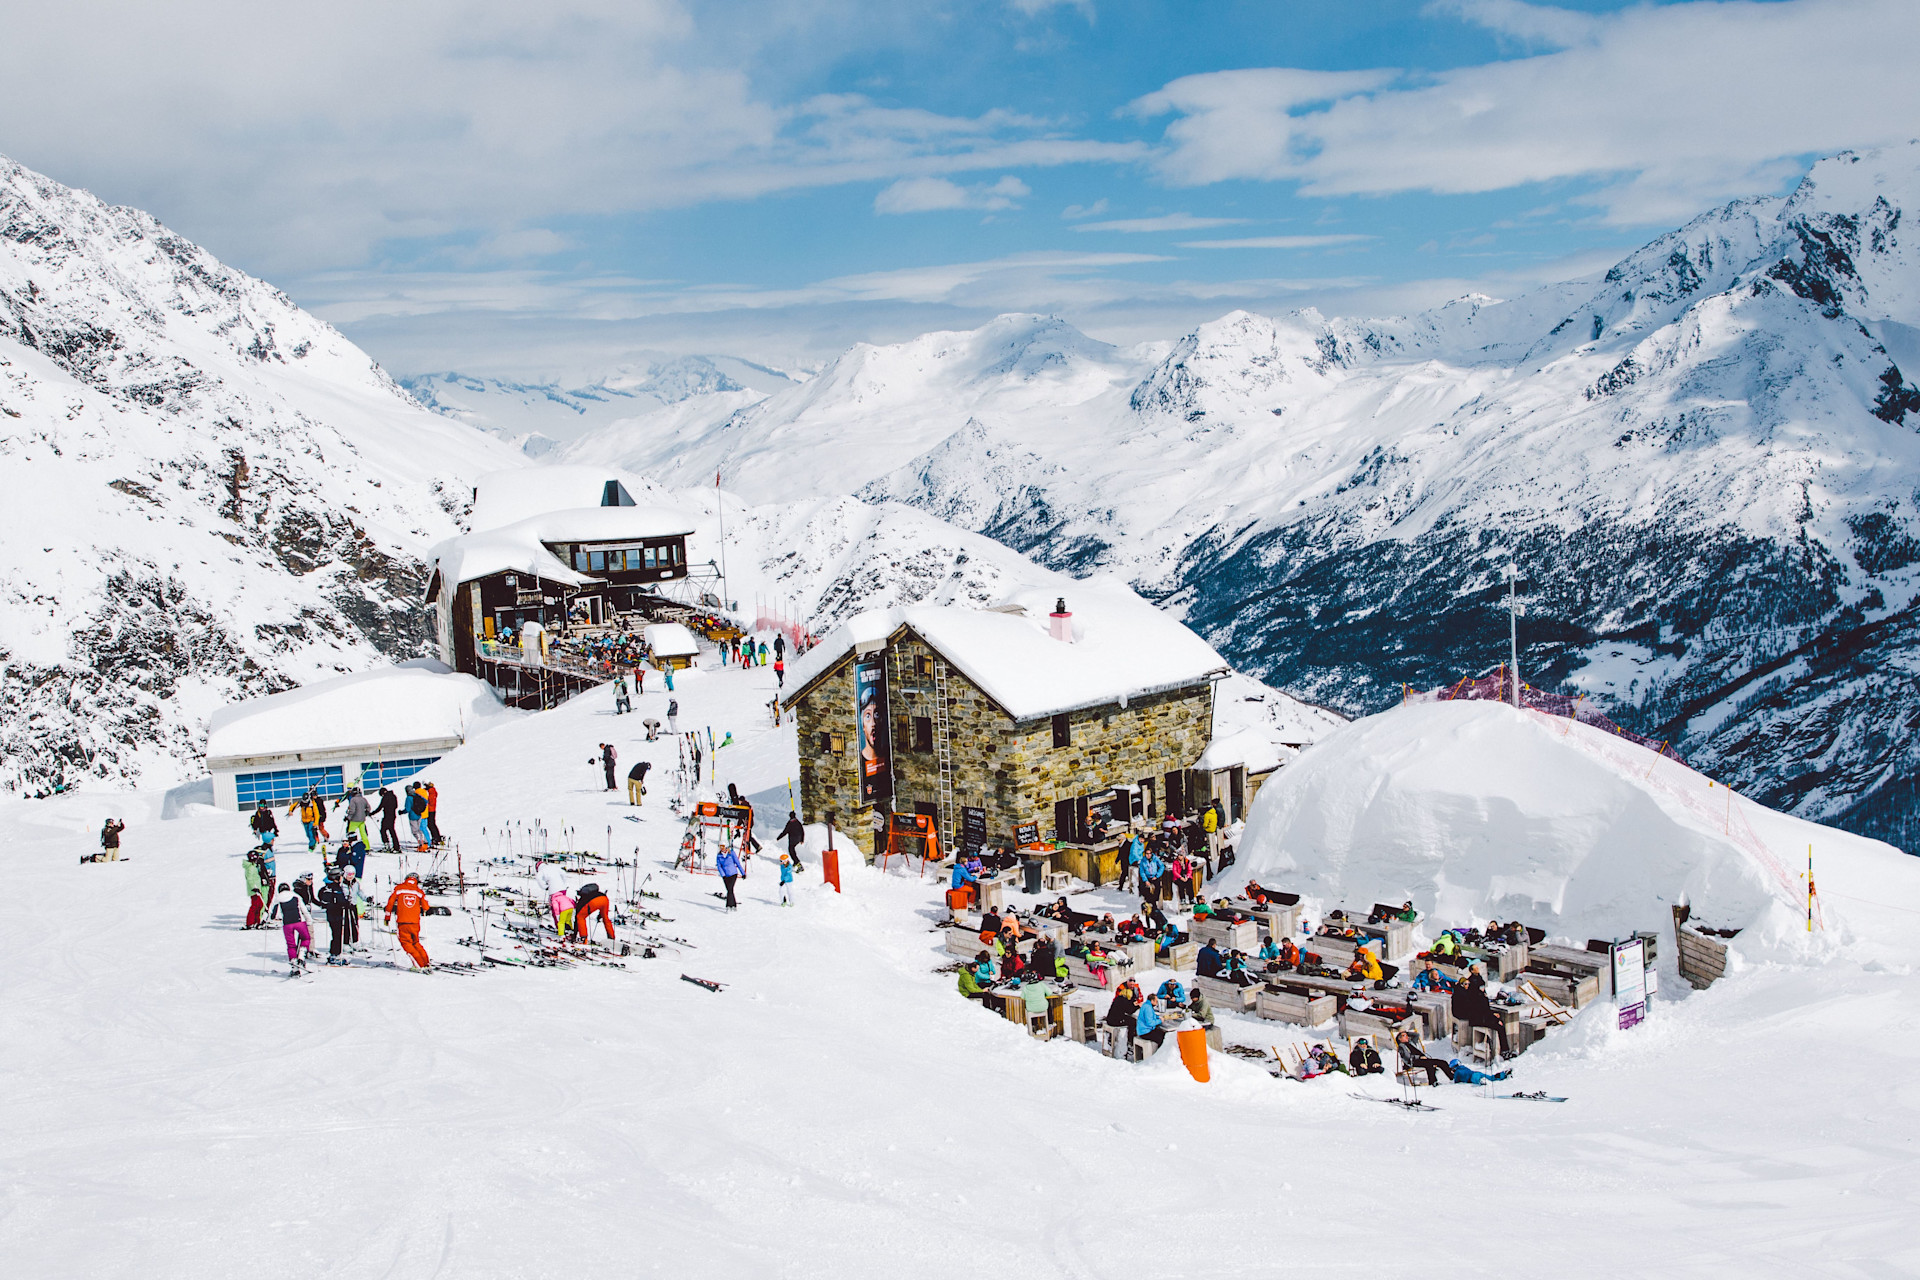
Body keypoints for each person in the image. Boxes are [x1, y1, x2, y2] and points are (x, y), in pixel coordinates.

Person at [1452, 966, 1512, 1059]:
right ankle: (1504, 1051)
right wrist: (1493, 1016)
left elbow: (1482, 1010)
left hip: (1479, 1016)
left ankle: (1504, 1049)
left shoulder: (1473, 995)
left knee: (1499, 1022)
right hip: (1478, 1019)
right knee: (1500, 1027)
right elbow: (1480, 1010)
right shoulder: (1475, 996)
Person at [384, 872, 431, 970]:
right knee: (415, 943)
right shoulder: (419, 891)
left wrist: (387, 917)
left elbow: (390, 903)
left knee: (406, 943)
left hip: (403, 921)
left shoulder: (399, 889)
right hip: (415, 922)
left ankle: (419, 965)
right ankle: (425, 963)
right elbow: (426, 907)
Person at [273, 882, 314, 975]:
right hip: (299, 922)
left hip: (287, 924)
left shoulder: (278, 898)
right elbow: (304, 910)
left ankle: (294, 966)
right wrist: (309, 920)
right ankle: (302, 955)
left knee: (291, 945)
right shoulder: (296, 896)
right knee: (306, 938)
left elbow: (273, 914)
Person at [317, 869, 355, 965]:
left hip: (330, 914)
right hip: (336, 914)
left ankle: (334, 954)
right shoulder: (336, 888)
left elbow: (321, 896)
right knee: (337, 934)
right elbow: (341, 901)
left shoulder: (327, 887)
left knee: (335, 934)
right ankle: (335, 955)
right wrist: (347, 903)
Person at [1104, 982, 1140, 1058]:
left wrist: (1133, 1005)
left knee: (1130, 1020)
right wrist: (1137, 1006)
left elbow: (1127, 1007)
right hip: (1115, 1021)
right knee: (1132, 1022)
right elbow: (1129, 1011)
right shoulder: (1123, 1000)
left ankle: (1113, 1038)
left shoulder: (1118, 999)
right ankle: (1130, 1040)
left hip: (1110, 1018)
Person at [244, 849, 268, 928]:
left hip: (257, 888)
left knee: (259, 905)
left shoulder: (253, 866)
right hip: (254, 890)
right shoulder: (250, 868)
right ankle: (250, 922)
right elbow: (250, 878)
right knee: (255, 906)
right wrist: (254, 887)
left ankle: (256, 921)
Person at [716, 845, 744, 911]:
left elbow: (737, 863)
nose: (722, 848)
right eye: (720, 847)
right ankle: (733, 905)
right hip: (725, 875)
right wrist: (723, 875)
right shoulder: (719, 856)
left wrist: (743, 873)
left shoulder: (731, 853)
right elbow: (719, 866)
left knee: (730, 889)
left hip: (733, 874)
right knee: (729, 890)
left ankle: (728, 905)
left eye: (723, 846)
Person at [376, 786, 400, 851]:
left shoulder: (385, 797)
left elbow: (380, 807)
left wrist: (372, 813)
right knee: (392, 831)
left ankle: (387, 845)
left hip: (387, 816)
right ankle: (396, 846)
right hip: (393, 815)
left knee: (383, 830)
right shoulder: (394, 796)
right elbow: (396, 806)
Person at [423, 781, 442, 846]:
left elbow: (430, 801)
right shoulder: (432, 790)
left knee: (430, 824)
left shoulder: (431, 791)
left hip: (430, 810)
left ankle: (436, 838)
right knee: (432, 824)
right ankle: (437, 837)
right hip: (432, 809)